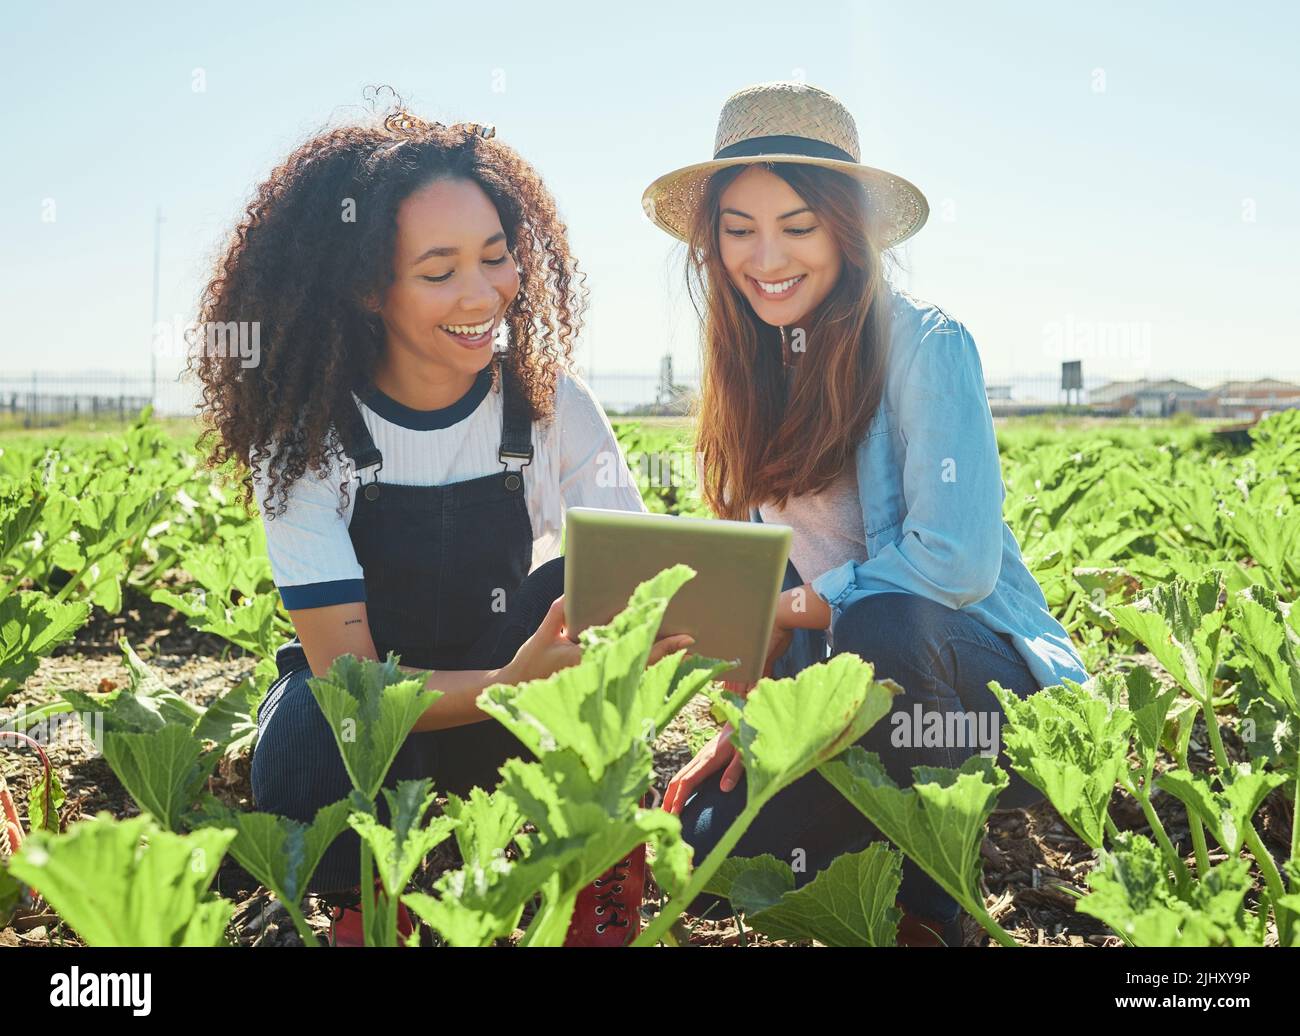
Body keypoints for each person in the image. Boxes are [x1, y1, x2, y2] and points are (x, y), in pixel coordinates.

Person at [190, 99, 691, 946]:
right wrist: (511, 686)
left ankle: (597, 857)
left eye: (496, 258)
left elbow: (638, 581)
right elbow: (354, 692)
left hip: (504, 701)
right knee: (319, 722)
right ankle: (370, 893)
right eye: (438, 271)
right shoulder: (308, 438)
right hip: (393, 722)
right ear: (365, 287)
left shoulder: (548, 407)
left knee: (593, 587)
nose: (481, 293)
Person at [641, 80, 1090, 946]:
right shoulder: (744, 375)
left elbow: (953, 564)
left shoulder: (925, 343)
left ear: (846, 232)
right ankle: (860, 843)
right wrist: (740, 730)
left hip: (973, 694)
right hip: (839, 691)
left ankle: (933, 907)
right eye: (739, 230)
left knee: (886, 623)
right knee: (709, 847)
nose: (765, 257)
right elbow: (759, 590)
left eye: (797, 226)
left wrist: (799, 609)